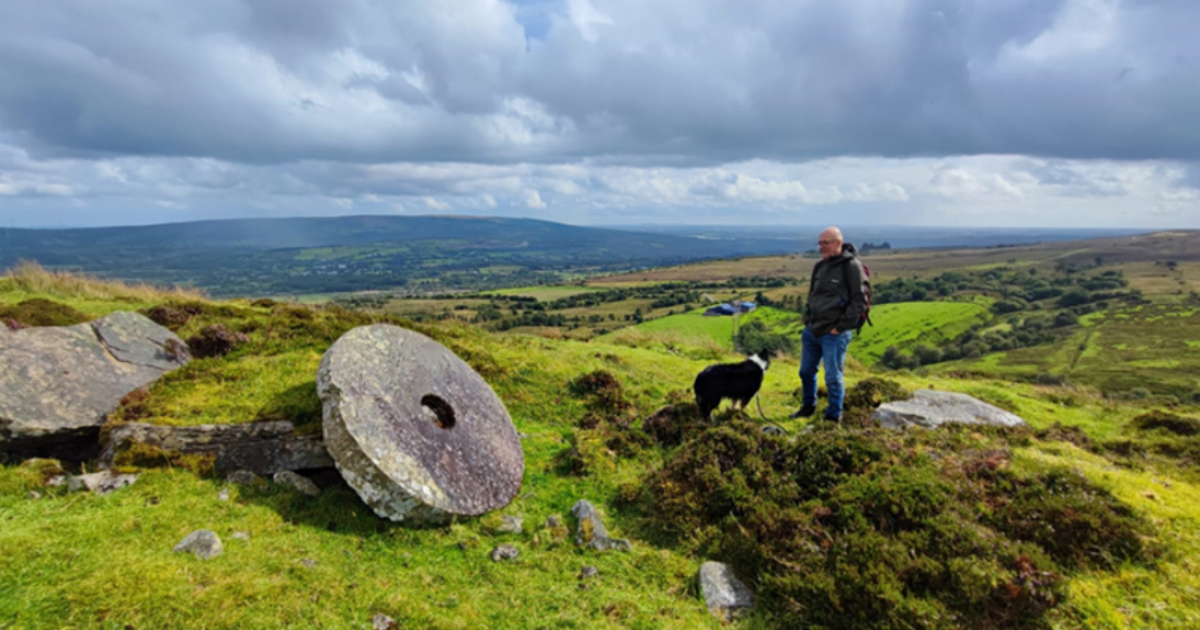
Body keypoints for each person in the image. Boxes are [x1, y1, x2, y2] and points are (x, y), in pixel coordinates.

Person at [791, 226, 867, 422]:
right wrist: (807, 319)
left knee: (833, 377)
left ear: (838, 243)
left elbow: (859, 301)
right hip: (812, 330)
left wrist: (839, 328)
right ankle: (808, 406)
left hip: (834, 334)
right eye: (820, 243)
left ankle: (833, 416)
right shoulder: (820, 266)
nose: (821, 247)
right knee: (805, 372)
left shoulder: (851, 267)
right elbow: (813, 295)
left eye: (825, 243)